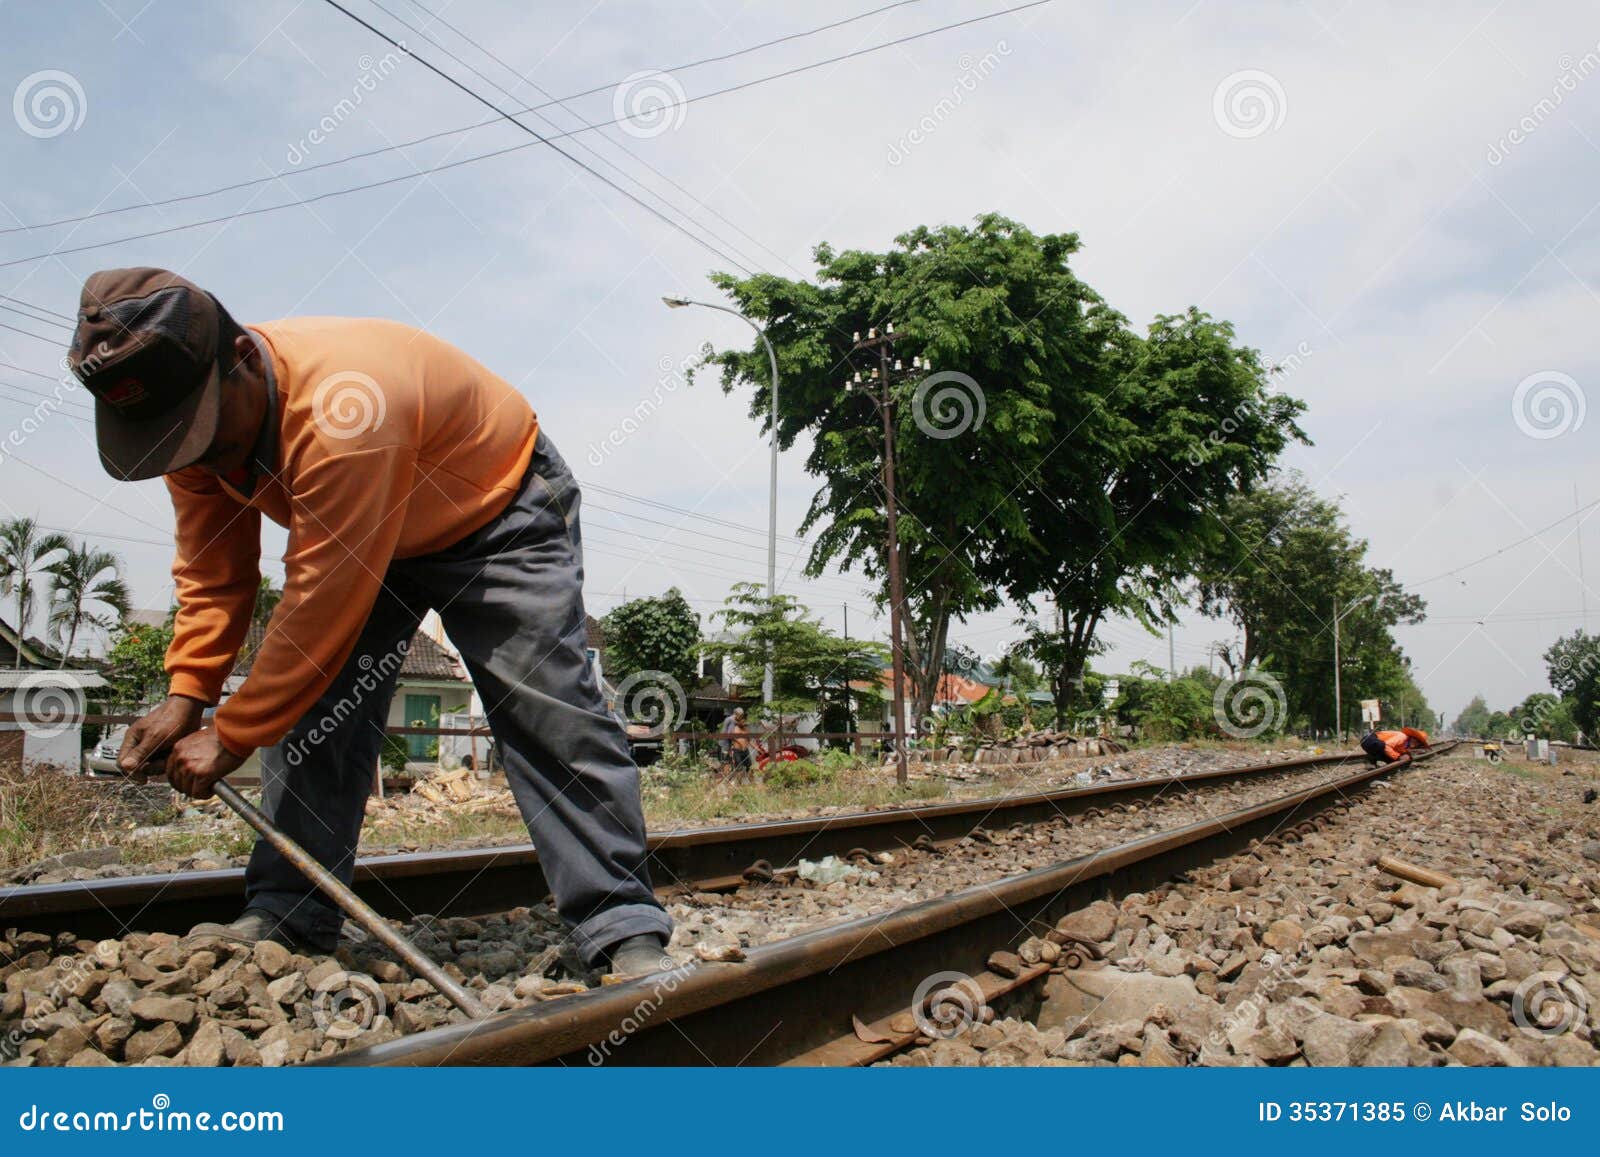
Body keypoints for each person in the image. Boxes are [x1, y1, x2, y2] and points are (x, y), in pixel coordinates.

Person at [70, 268, 673, 976]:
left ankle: (619, 923)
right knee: (318, 715)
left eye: (198, 433)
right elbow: (213, 570)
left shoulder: (342, 408)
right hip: (368, 530)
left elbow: (318, 599)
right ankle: (292, 915)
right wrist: (187, 694)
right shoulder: (189, 426)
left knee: (548, 707)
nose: (194, 456)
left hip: (494, 503)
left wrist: (231, 733)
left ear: (238, 358)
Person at [1360, 725, 1430, 767]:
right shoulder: (1402, 737)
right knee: (1382, 746)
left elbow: (1396, 751)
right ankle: (1370, 759)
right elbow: (1386, 745)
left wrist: (1406, 756)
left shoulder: (1405, 745)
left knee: (1393, 758)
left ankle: (1371, 761)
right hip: (1369, 740)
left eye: (1419, 742)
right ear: (1412, 737)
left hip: (1378, 744)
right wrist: (1398, 757)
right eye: (1415, 739)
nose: (1416, 743)